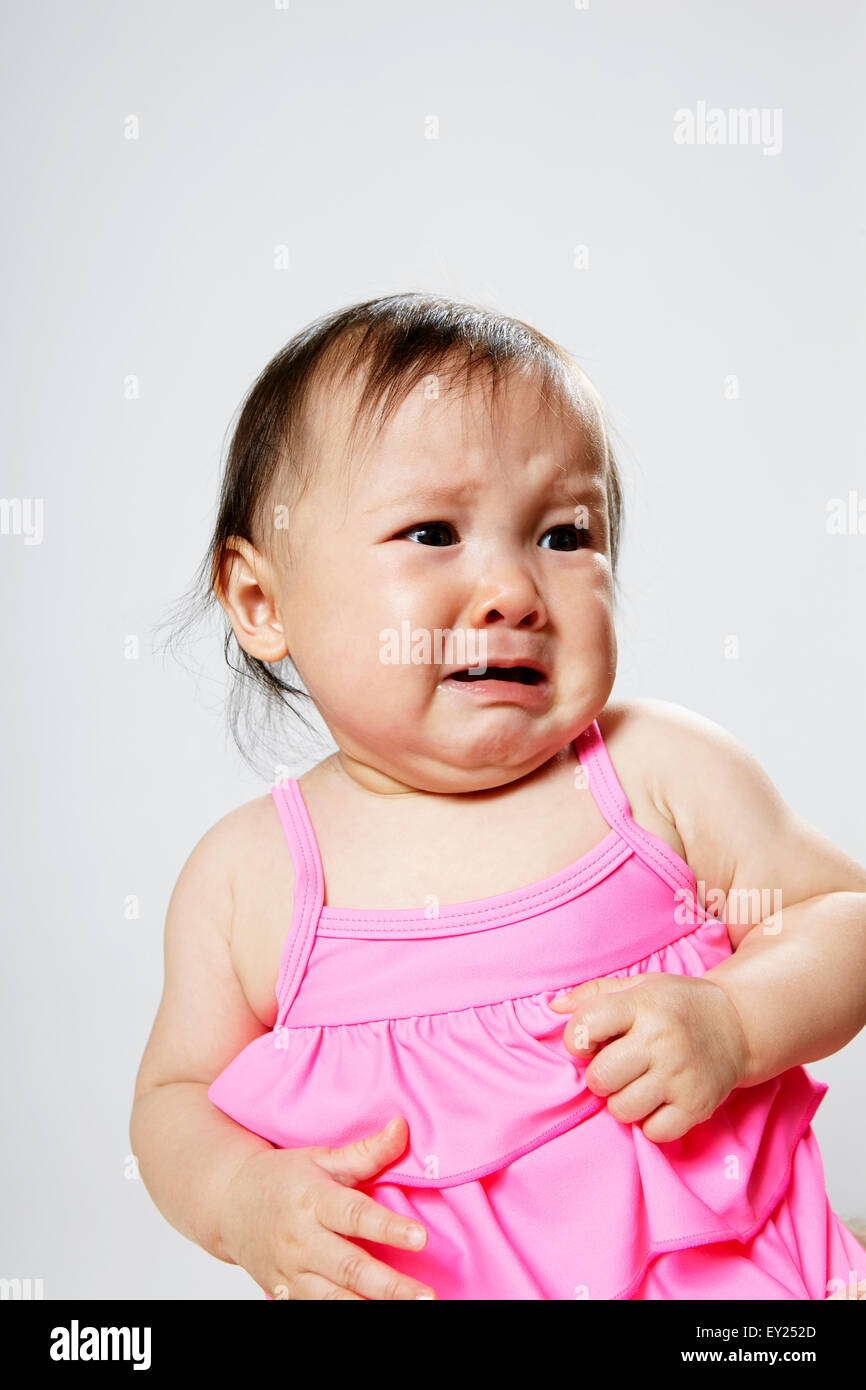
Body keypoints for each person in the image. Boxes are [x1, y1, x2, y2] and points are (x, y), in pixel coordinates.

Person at [130, 292, 866, 1300]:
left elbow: (840, 916)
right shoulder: (250, 879)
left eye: (563, 536)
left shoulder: (653, 777)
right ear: (262, 601)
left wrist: (733, 1022)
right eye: (432, 530)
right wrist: (243, 1197)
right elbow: (172, 1099)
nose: (513, 589)